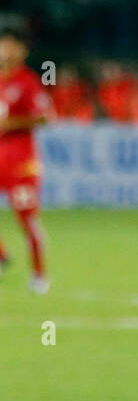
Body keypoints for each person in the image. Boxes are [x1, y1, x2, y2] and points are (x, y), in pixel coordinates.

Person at [0, 26, 54, 293]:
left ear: (22, 51)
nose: (6, 51)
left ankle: (39, 274)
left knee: (27, 219)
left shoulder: (28, 81)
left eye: (12, 46)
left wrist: (12, 123)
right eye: (3, 45)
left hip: (21, 164)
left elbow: (45, 116)